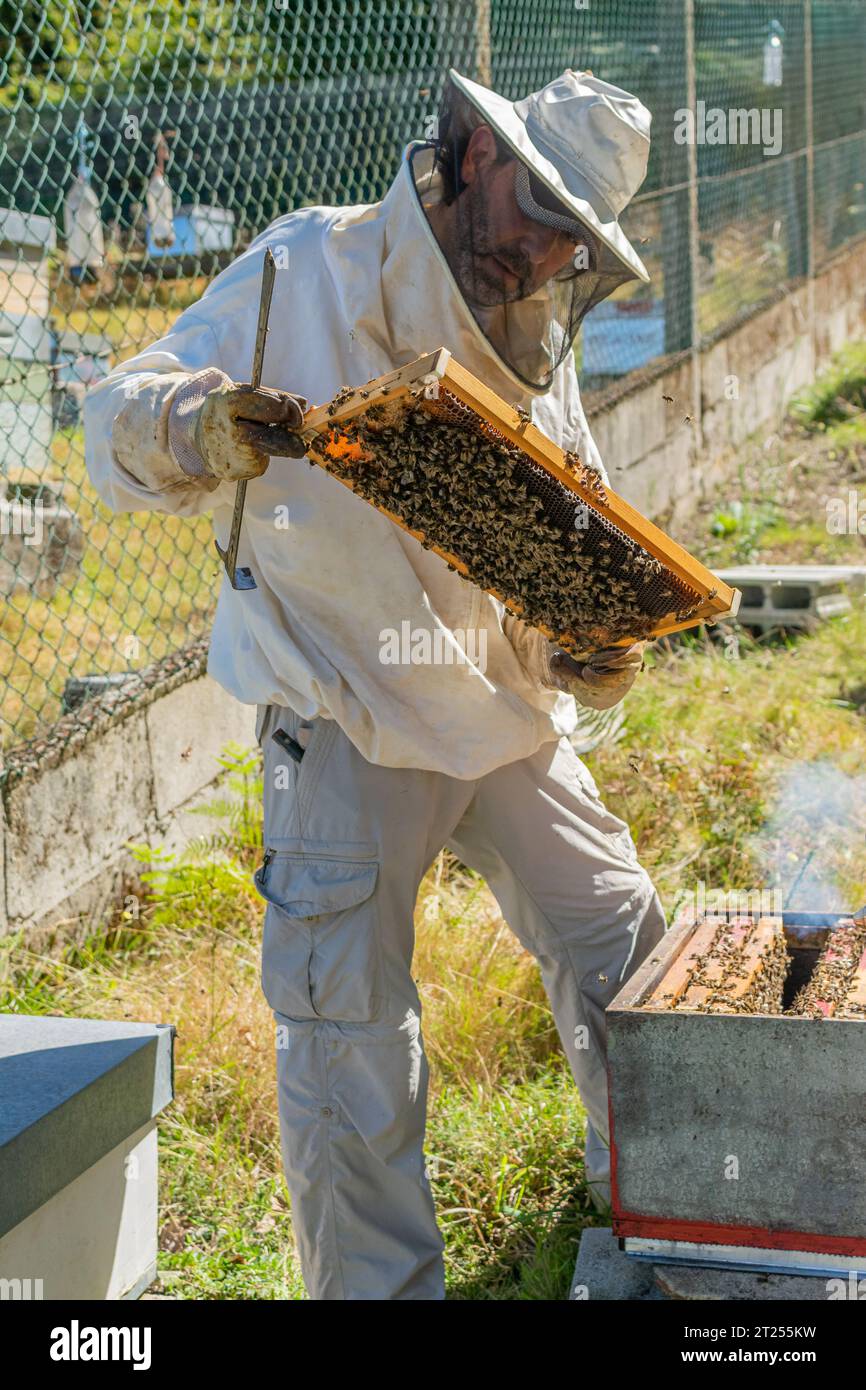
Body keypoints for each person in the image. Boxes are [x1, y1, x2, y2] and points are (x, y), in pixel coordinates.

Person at [84, 67, 667, 1301]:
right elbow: (110, 418)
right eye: (538, 205)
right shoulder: (307, 272)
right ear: (470, 155)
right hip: (343, 703)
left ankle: (665, 1208)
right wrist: (195, 427)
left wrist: (590, 647)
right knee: (351, 1041)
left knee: (625, 948)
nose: (546, 249)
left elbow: (572, 551)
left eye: (577, 235)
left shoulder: (532, 336)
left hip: (499, 709)